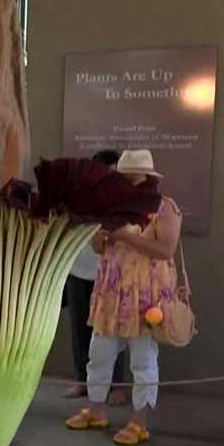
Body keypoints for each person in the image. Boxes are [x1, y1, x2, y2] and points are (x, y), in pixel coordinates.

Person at [66, 150, 181, 446]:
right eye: (122, 177)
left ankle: (139, 421)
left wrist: (126, 237)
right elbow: (97, 246)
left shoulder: (164, 207)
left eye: (132, 177)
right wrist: (103, 236)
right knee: (99, 355)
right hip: (111, 293)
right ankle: (95, 409)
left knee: (143, 361)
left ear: (147, 177)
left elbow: (166, 250)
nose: (127, 183)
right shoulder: (111, 205)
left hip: (146, 297)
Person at [63, 150, 128, 402]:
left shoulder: (124, 199)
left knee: (112, 330)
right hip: (78, 271)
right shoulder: (78, 196)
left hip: (110, 274)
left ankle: (117, 387)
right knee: (80, 329)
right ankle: (82, 382)